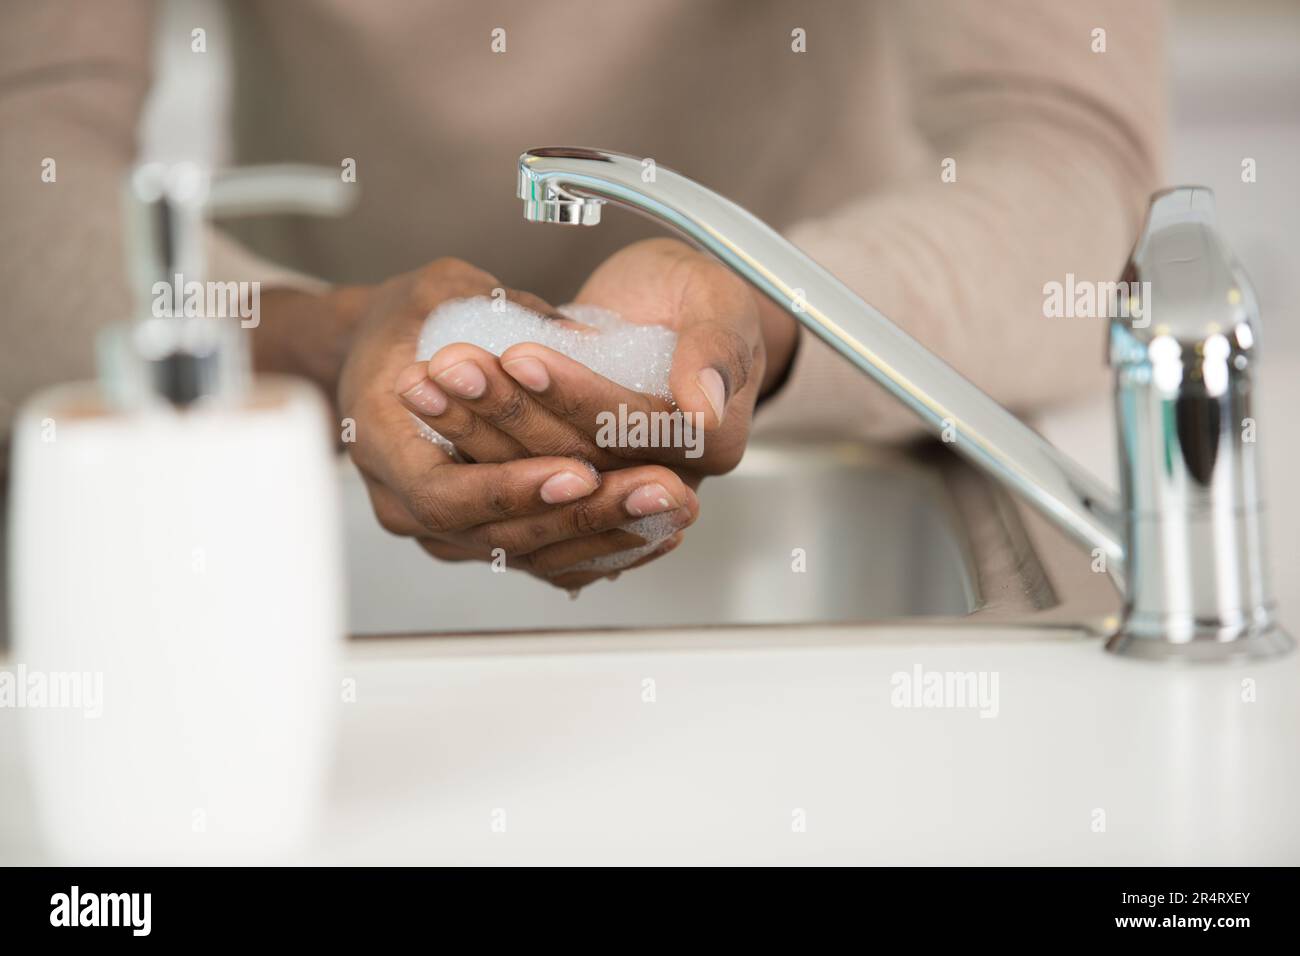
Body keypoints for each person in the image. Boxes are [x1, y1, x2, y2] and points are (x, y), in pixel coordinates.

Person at [0, 0, 1164, 590]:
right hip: (298, 463)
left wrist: (759, 310)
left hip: (836, 436)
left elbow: (1061, 145)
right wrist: (325, 336)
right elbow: (25, 132)